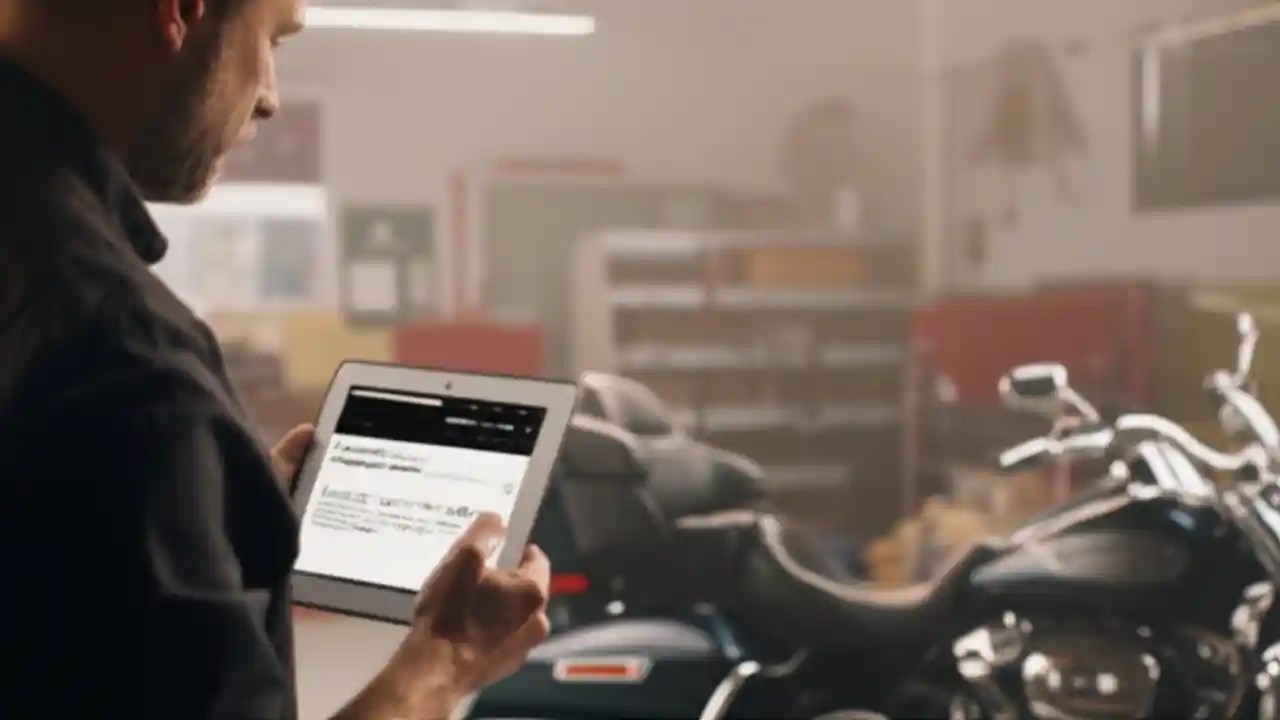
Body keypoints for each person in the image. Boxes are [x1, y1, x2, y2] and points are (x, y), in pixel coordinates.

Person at [0, 1, 551, 718]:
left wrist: (200, 497)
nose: (269, 95)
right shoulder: (123, 356)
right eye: (272, 40)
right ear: (181, 11)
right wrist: (444, 662)